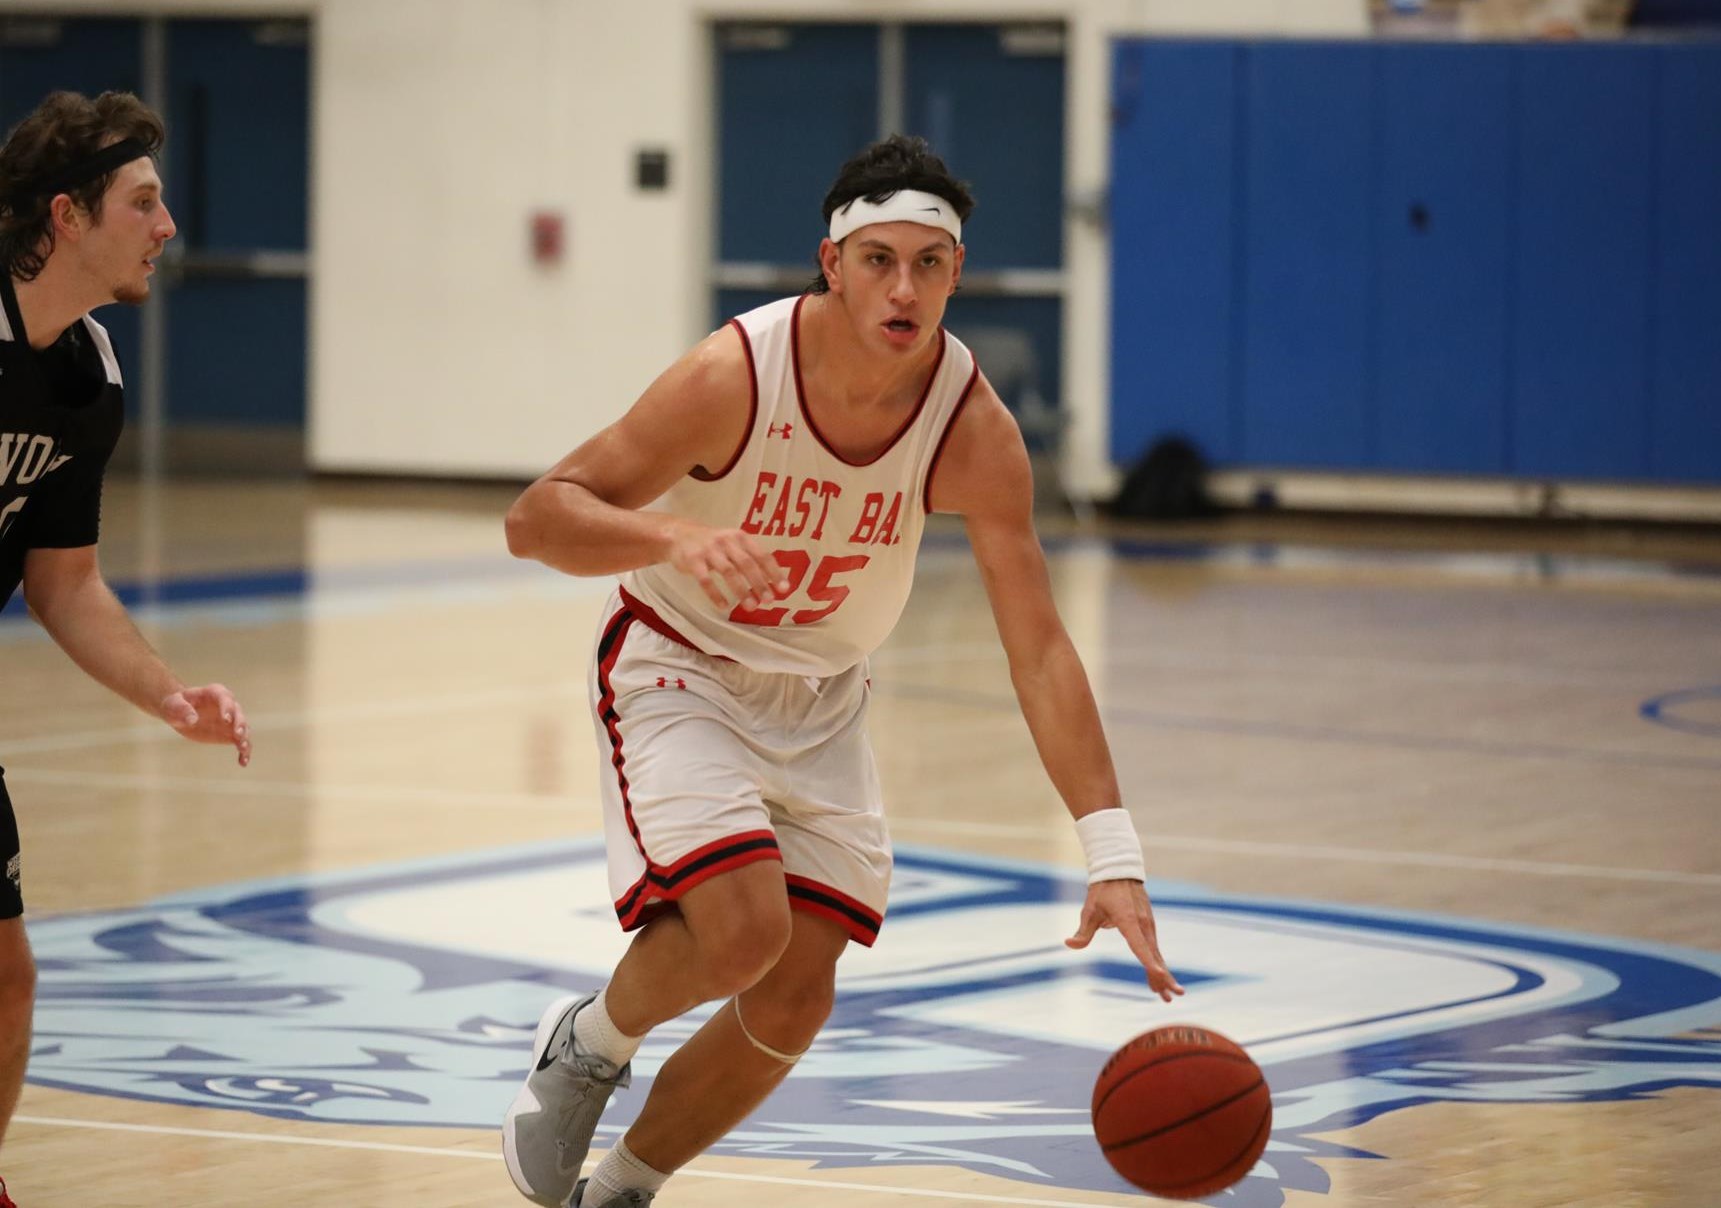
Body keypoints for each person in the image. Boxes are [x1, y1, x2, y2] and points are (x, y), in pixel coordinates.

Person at [501, 134, 1182, 1208]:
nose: (902, 286)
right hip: (682, 663)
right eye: (877, 259)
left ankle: (623, 1185)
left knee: (795, 993)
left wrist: (1111, 849)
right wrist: (672, 537)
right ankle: (589, 1041)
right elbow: (536, 518)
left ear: (957, 273)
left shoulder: (972, 427)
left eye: (928, 262)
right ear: (830, 262)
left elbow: (1039, 645)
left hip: (821, 695)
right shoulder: (734, 375)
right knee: (739, 928)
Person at [0, 91, 253, 1198]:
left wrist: (165, 692)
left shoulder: (85, 375)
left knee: (6, 976)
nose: (167, 225)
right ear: (66, 213)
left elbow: (64, 579)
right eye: (144, 202)